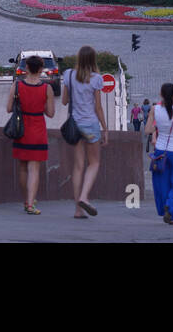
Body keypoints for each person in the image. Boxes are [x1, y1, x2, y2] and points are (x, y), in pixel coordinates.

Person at [61, 46, 108, 218]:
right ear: (93, 60)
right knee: (94, 163)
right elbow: (98, 107)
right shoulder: (96, 79)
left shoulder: (69, 75)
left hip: (75, 126)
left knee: (78, 167)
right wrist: (105, 128)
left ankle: (78, 209)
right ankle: (84, 197)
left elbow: (65, 101)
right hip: (90, 125)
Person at [6, 55, 55, 214]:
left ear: (26, 68)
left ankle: (26, 200)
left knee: (22, 167)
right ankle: (30, 205)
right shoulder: (46, 88)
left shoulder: (17, 86)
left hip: (21, 129)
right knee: (34, 168)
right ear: (41, 69)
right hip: (38, 128)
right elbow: (51, 113)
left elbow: (8, 108)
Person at [145, 83, 173, 224]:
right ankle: (171, 206)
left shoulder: (154, 109)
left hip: (160, 151)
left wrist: (157, 126)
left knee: (162, 184)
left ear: (161, 94)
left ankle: (169, 212)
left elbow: (147, 130)